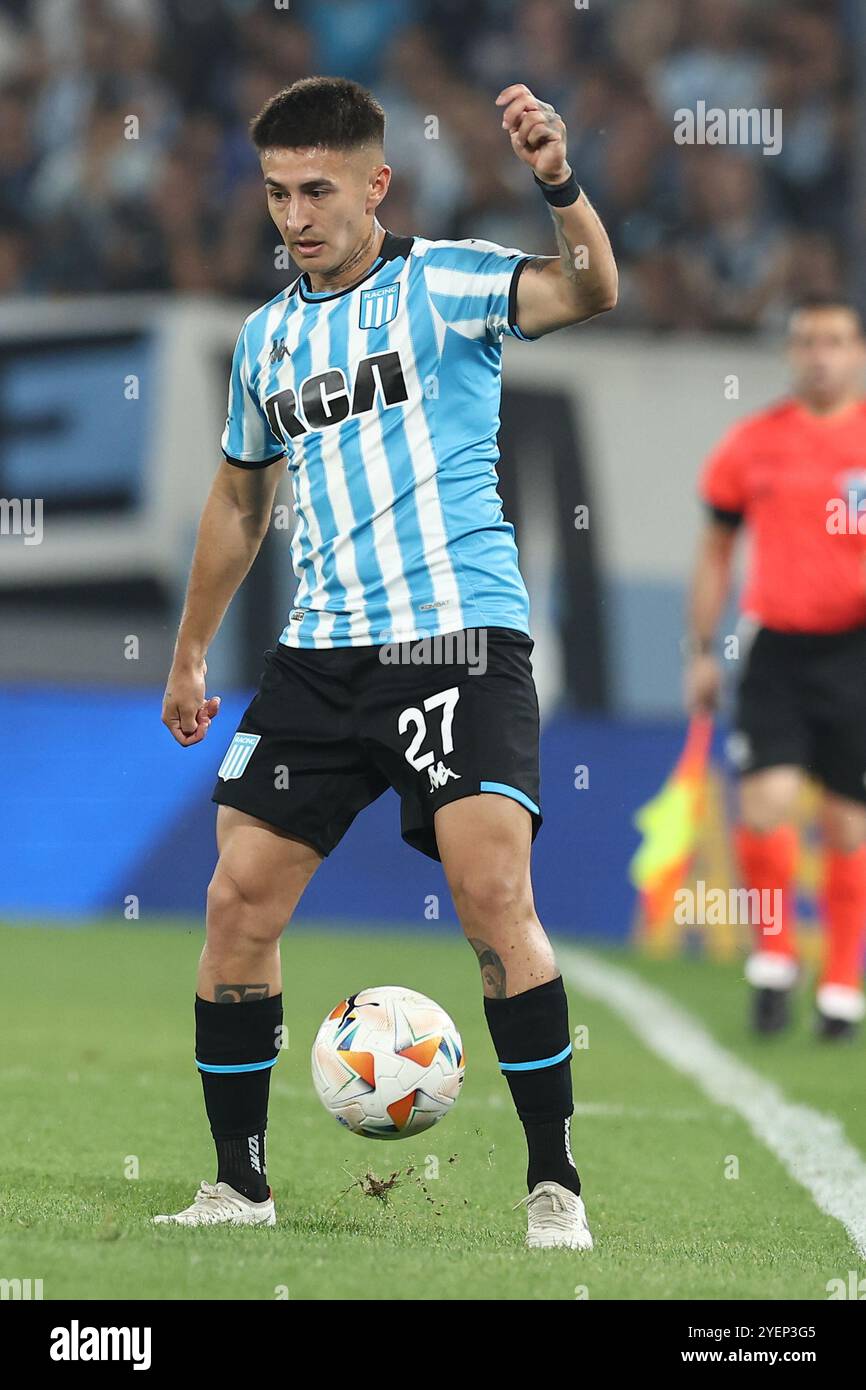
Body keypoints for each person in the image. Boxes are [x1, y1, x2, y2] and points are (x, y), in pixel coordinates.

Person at [155, 75, 617, 1247]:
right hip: (319, 652)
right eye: (274, 193)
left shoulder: (450, 280)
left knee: (488, 891)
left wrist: (556, 179)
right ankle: (238, 1188)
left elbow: (589, 288)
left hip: (457, 635)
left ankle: (553, 1185)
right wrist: (192, 648)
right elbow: (238, 498)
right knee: (235, 904)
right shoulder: (266, 340)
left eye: (316, 189)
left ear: (375, 184)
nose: (294, 215)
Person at [685, 296, 866, 1038]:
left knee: (848, 823)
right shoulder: (753, 442)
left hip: (857, 651)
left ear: (856, 352)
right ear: (791, 354)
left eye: (833, 341)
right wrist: (701, 649)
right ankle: (775, 962)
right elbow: (716, 551)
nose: (818, 354)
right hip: (776, 651)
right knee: (766, 805)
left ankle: (841, 989)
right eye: (806, 342)